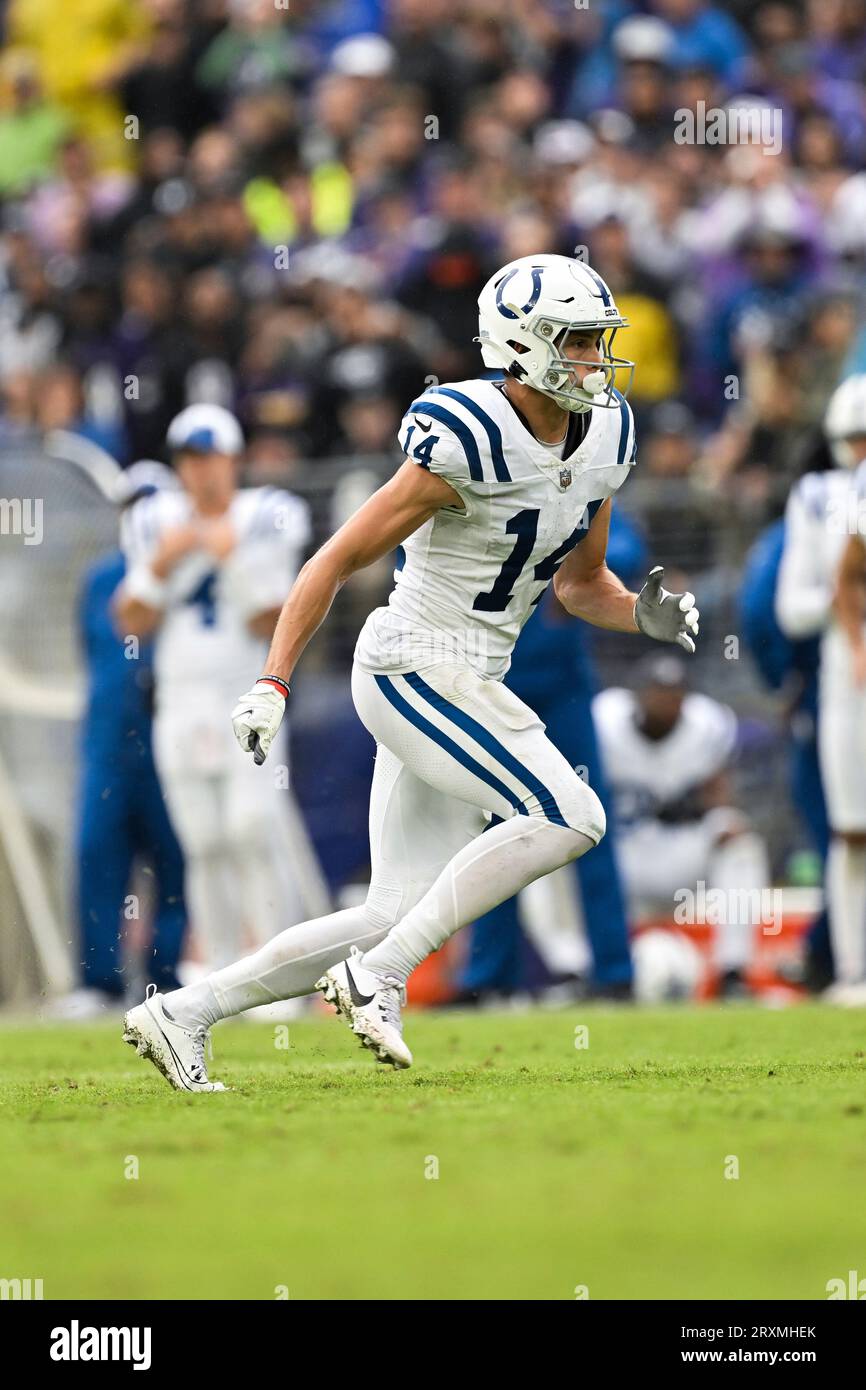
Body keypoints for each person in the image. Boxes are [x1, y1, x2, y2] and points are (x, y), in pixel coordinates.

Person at [122, 253, 700, 1091]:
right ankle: (379, 978)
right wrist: (274, 678)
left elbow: (580, 584)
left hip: (471, 673)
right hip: (413, 661)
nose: (592, 359)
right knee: (570, 813)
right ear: (521, 346)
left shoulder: (606, 428)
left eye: (593, 341)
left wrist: (640, 614)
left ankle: (181, 1013)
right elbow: (335, 558)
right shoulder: (466, 433)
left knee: (389, 909)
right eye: (573, 342)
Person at [114, 404, 311, 973]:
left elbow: (273, 620)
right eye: (189, 459)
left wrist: (233, 561)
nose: (201, 472)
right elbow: (130, 620)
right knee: (202, 843)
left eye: (210, 457)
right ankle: (222, 975)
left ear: (233, 460)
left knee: (253, 830)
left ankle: (275, 973)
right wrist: (159, 565)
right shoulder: (154, 520)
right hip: (181, 699)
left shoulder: (267, 514)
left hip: (248, 692)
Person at [55, 462, 187, 1019]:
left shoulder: (185, 569)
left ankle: (166, 980)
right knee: (96, 853)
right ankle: (100, 983)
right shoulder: (102, 577)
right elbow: (95, 653)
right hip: (111, 742)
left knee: (178, 859)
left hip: (171, 737)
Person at [593, 652, 770, 993]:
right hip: (620, 859)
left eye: (674, 693)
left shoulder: (707, 726)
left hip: (679, 856)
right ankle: (574, 969)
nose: (666, 700)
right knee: (550, 844)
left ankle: (733, 972)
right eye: (657, 691)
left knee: (740, 842)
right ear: (637, 693)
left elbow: (720, 793)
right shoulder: (604, 720)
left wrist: (718, 816)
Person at [777, 375, 866, 1003]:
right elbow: (793, 606)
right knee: (852, 830)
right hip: (846, 682)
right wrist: (848, 607)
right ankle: (854, 972)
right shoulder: (817, 498)